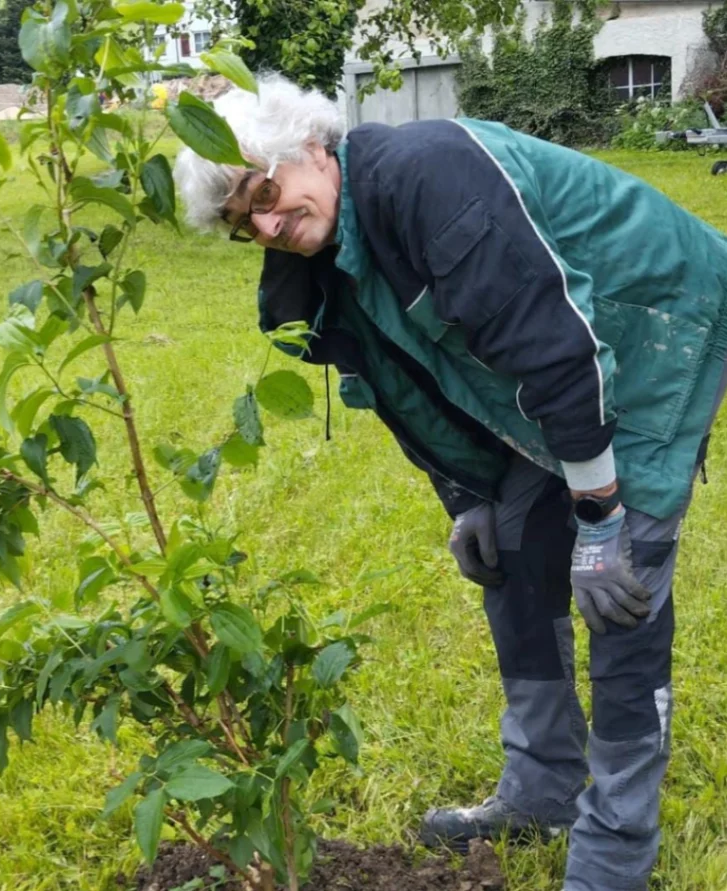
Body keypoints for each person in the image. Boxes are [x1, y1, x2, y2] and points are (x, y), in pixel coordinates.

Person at [174, 74, 727, 891]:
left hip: (648, 326)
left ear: (312, 149)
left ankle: (613, 855)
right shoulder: (332, 259)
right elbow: (415, 392)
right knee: (511, 547)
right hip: (564, 360)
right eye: (240, 225)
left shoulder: (428, 177)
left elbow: (555, 346)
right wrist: (469, 497)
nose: (265, 225)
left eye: (263, 190)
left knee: (623, 590)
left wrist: (602, 516)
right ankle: (541, 788)